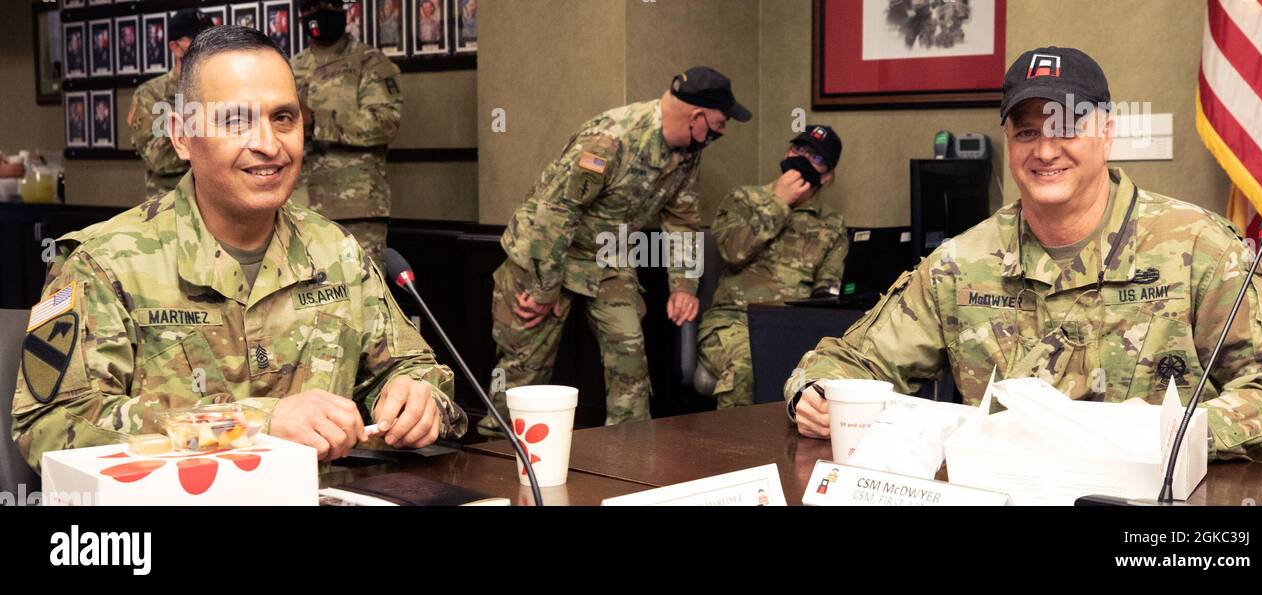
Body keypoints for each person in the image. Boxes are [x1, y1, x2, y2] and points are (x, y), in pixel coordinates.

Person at [785, 47, 1262, 461]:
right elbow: (843, 362)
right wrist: (816, 395)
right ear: (1007, 140)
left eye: (1066, 127)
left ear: (1107, 132)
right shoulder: (962, 263)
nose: (1046, 150)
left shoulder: (1197, 246)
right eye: (1027, 131)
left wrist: (1168, 436)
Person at [11, 25, 465, 471]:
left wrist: (417, 397)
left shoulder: (336, 254)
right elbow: (50, 427)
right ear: (181, 136)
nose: (268, 145)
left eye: (283, 118)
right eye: (235, 120)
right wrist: (251, 425)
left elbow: (415, 371)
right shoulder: (105, 264)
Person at [481, 67, 751, 436]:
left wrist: (684, 286)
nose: (719, 134)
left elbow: (682, 219)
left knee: (630, 358)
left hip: (608, 256)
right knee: (524, 367)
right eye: (718, 125)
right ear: (696, 116)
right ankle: (496, 451)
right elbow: (557, 213)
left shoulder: (687, 152)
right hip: (547, 252)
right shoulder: (610, 139)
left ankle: (629, 451)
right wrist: (544, 290)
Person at [698, 125, 847, 408]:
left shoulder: (832, 224)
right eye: (799, 150)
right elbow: (732, 250)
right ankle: (733, 451)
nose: (803, 159)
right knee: (750, 365)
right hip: (734, 321)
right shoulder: (743, 199)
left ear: (827, 176)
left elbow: (827, 293)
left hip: (791, 325)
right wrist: (778, 202)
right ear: (787, 153)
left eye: (815, 158)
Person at [291, 0, 403, 268]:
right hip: (297, 207)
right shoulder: (290, 68)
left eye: (329, 3)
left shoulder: (371, 63)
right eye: (310, 7)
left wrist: (317, 119)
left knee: (363, 299)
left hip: (354, 209)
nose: (319, 11)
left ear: (343, 9)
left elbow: (386, 123)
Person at [128, 9, 214, 199]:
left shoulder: (224, 88)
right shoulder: (150, 94)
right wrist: (214, 143)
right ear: (175, 47)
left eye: (213, 39)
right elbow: (158, 157)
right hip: (171, 204)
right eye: (199, 40)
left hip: (219, 202)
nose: (209, 47)